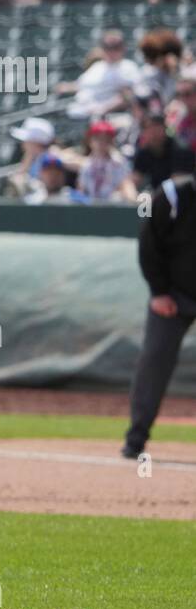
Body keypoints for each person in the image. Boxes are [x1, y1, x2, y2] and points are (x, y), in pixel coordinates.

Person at [126, 145, 196, 457]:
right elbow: (149, 245)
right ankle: (135, 440)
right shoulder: (173, 196)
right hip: (174, 294)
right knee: (154, 359)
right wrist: (159, 292)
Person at [63, 30, 143, 118]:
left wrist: (102, 109)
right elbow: (79, 86)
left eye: (116, 47)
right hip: (80, 110)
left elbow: (127, 96)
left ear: (123, 48)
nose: (111, 51)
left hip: (105, 117)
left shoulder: (127, 67)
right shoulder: (97, 66)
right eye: (107, 47)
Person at [75, 120, 133, 202]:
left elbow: (127, 187)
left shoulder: (118, 163)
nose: (101, 143)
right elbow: (81, 190)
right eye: (97, 138)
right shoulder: (86, 164)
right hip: (91, 208)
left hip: (112, 208)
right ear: (90, 141)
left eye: (106, 139)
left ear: (111, 142)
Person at [4, 116, 55, 199]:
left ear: (36, 141)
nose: (23, 143)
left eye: (27, 140)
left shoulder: (50, 159)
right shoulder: (32, 156)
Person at [131, 112, 178, 192]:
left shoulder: (178, 149)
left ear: (164, 129)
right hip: (154, 197)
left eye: (157, 127)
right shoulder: (143, 154)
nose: (154, 133)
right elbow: (134, 180)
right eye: (149, 128)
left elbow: (179, 184)